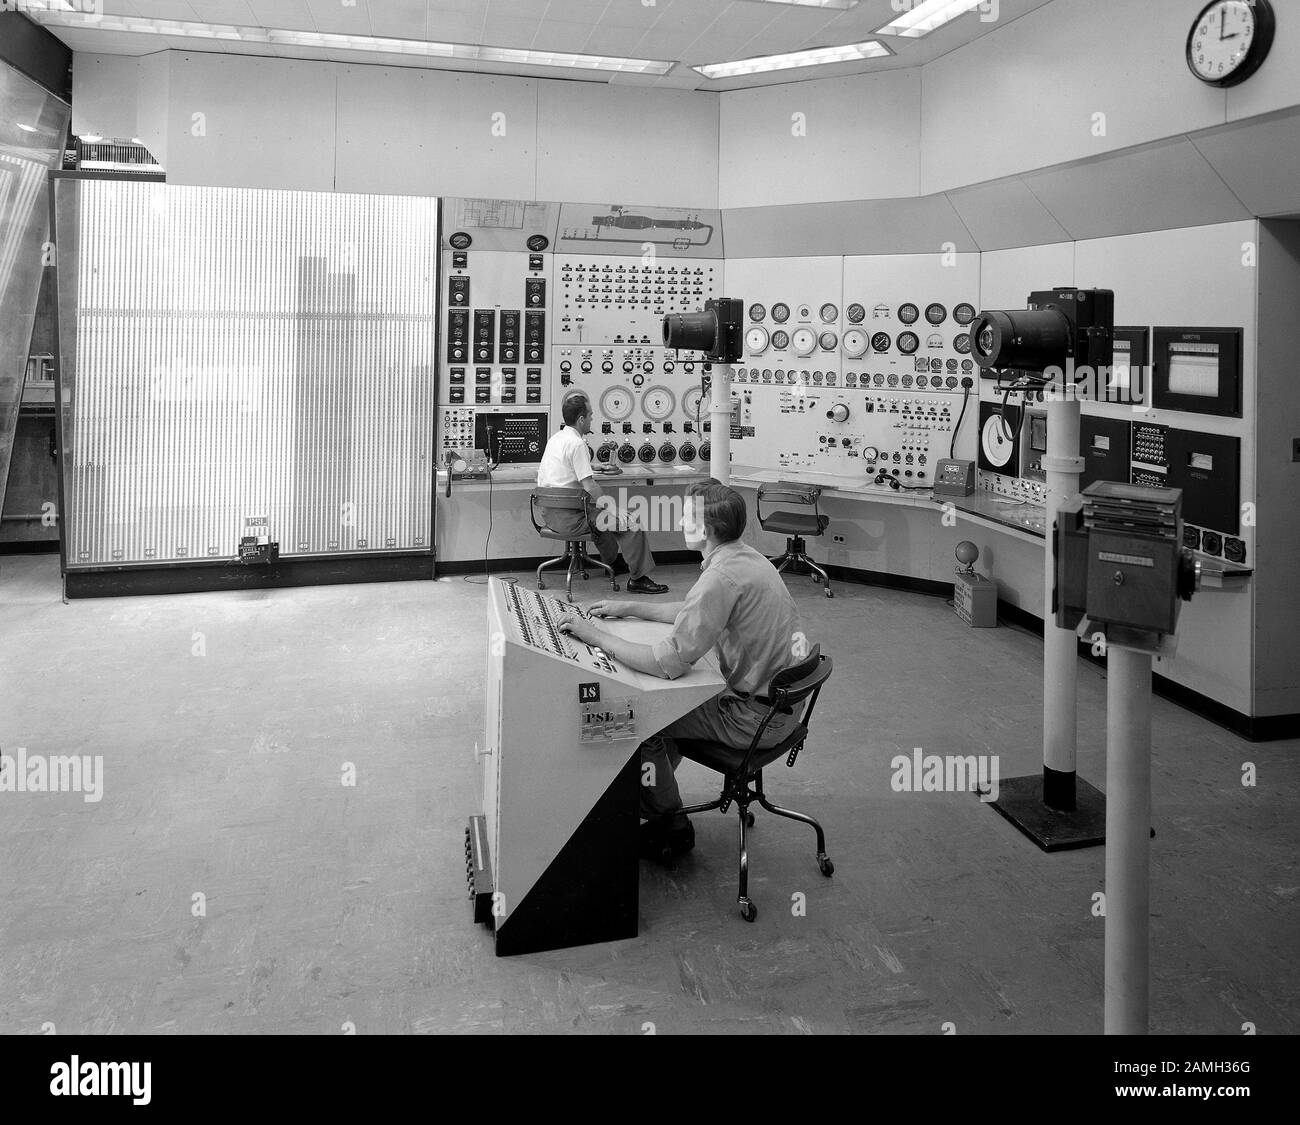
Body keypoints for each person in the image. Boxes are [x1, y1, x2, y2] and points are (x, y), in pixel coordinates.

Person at [556, 479, 806, 858]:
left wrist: (598, 637)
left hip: (753, 718)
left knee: (636, 721)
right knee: (661, 715)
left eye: (686, 516)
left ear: (705, 530)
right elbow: (693, 612)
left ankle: (670, 823)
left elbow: (666, 663)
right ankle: (654, 800)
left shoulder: (721, 578)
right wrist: (629, 608)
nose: (679, 521)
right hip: (778, 707)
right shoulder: (745, 559)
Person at [537, 393, 668, 594]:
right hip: (573, 518)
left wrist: (591, 466)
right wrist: (615, 509)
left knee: (600, 514)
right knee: (630, 521)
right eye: (590, 415)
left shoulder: (557, 438)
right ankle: (638, 579)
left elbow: (568, 469)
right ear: (581, 419)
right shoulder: (578, 443)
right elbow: (590, 486)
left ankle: (614, 564)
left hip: (551, 514)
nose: (592, 419)